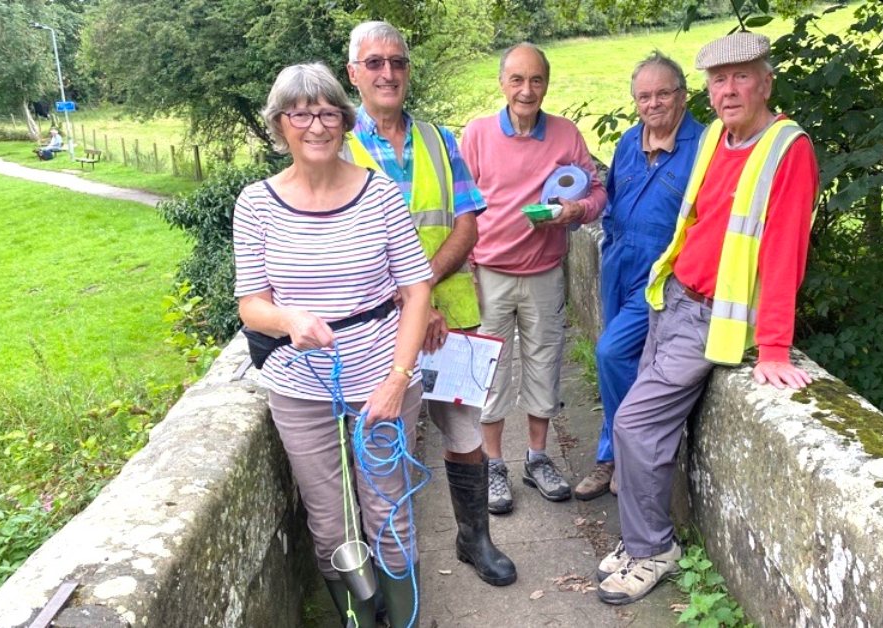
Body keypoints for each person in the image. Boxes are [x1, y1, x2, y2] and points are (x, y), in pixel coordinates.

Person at [596, 32, 819, 606]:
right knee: (647, 426)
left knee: (635, 425)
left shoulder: (785, 148)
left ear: (766, 81)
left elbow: (784, 249)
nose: (728, 90)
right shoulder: (720, 135)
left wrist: (773, 348)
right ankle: (637, 538)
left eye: (742, 76)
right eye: (719, 80)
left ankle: (652, 551)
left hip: (710, 317)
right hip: (672, 297)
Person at [233, 62, 431, 628]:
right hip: (301, 387)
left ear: (345, 121)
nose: (315, 126)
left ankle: (405, 618)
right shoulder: (256, 204)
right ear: (279, 125)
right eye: (300, 113)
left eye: (326, 112)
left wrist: (396, 379)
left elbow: (416, 291)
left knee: (389, 513)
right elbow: (251, 304)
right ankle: (360, 620)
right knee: (329, 526)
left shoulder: (380, 194)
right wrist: (290, 319)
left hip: (383, 380)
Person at [340, 20, 517, 588]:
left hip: (453, 319)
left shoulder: (442, 140)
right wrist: (414, 301)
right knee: (382, 441)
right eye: (375, 63)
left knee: (465, 434)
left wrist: (427, 286)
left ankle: (475, 540)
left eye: (397, 62)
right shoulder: (336, 146)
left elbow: (467, 220)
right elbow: (337, 245)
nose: (388, 73)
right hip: (374, 326)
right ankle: (391, 566)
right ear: (354, 74)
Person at [460, 42, 608, 514]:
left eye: (536, 80)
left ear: (547, 83)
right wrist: (464, 269)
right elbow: (460, 204)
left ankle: (538, 458)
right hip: (489, 272)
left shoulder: (566, 134)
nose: (527, 90)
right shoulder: (478, 135)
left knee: (545, 362)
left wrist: (576, 210)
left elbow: (598, 190)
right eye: (518, 80)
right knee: (489, 370)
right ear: (502, 83)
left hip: (545, 271)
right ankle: (494, 464)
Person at [574, 52, 705, 502]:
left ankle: (618, 458)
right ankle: (616, 455)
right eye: (644, 96)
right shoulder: (630, 141)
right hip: (617, 264)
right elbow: (607, 199)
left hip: (661, 276)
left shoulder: (704, 148)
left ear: (682, 97)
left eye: (663, 93)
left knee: (610, 353)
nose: (653, 104)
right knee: (624, 363)